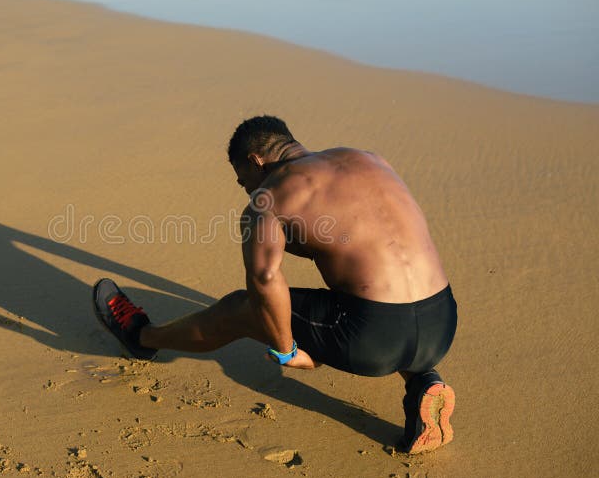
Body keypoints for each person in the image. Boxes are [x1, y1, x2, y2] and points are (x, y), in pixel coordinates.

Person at [93, 115, 457, 454]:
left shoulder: (269, 197)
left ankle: (141, 337)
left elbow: (265, 278)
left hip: (373, 339)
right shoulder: (368, 159)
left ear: (256, 162)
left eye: (244, 181)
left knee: (241, 308)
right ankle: (423, 381)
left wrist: (287, 351)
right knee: (371, 286)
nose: (247, 191)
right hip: (441, 323)